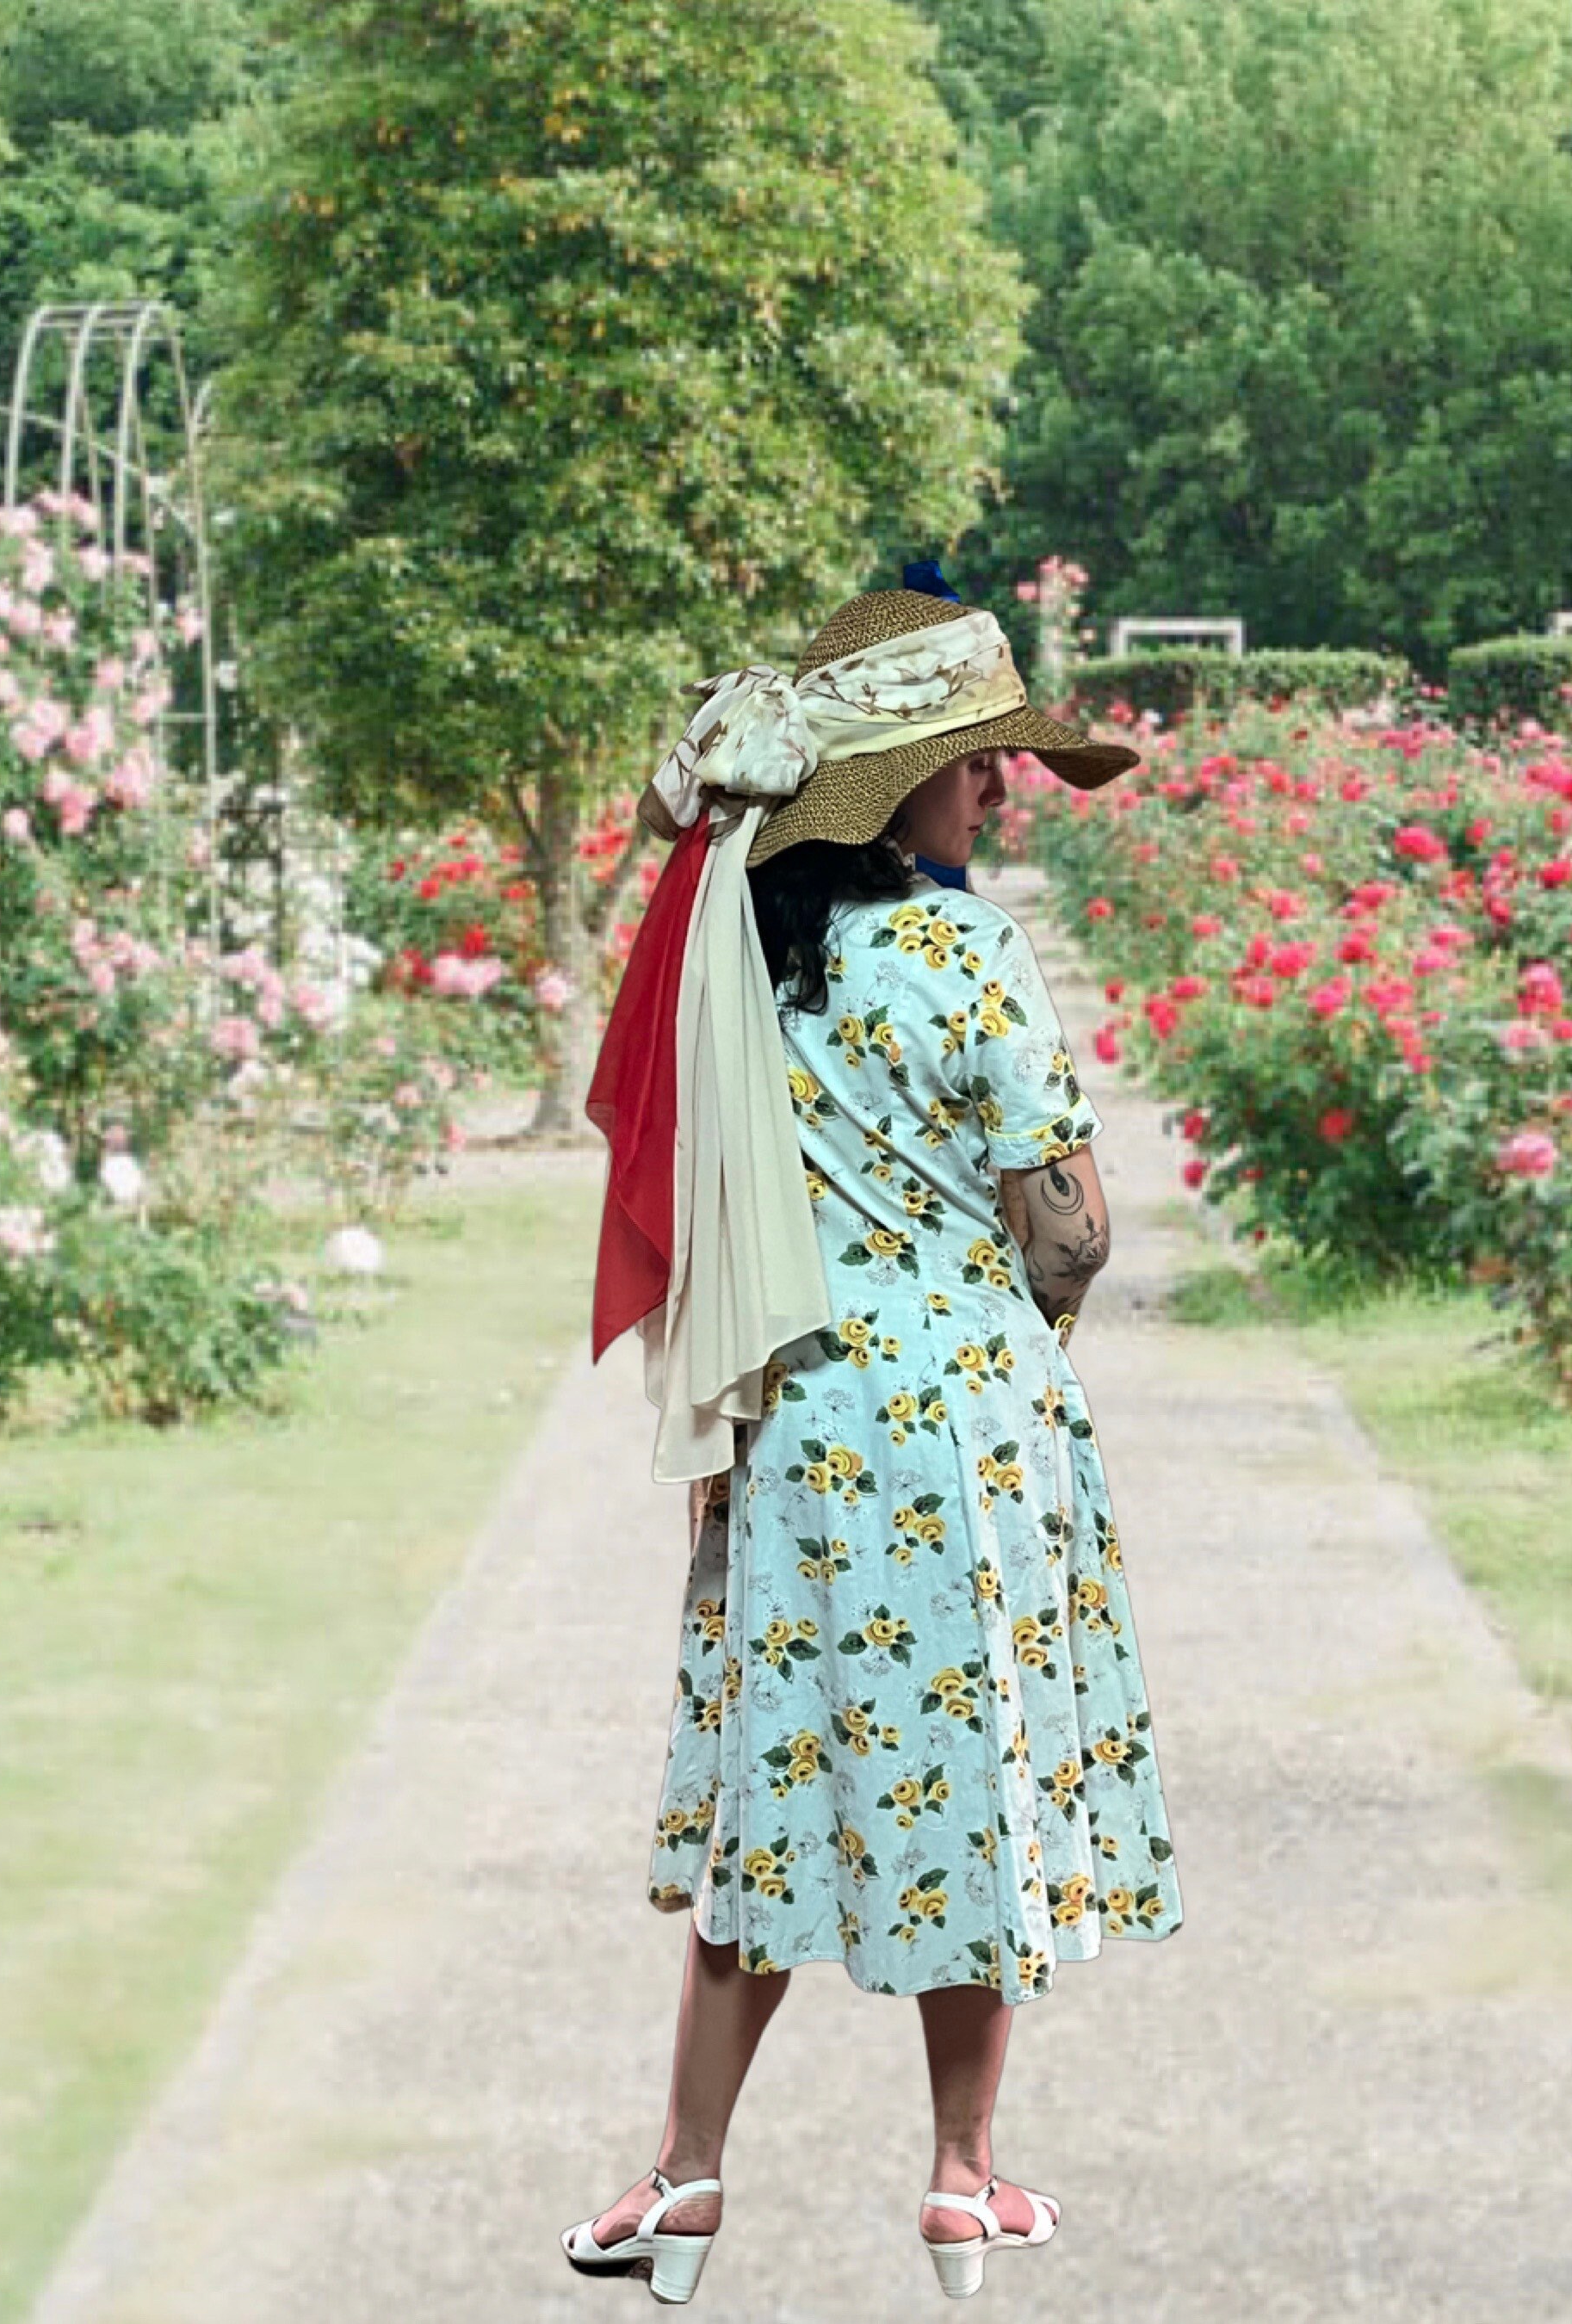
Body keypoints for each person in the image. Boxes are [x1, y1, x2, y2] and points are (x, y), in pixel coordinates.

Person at [565, 572, 1184, 2304]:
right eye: (977, 760)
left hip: (797, 1428)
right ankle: (964, 2183)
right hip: (973, 1425)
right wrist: (1009, 1337)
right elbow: (1066, 1229)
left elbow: (694, 1209)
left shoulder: (736, 965)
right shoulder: (971, 947)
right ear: (891, 778)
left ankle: (686, 2183)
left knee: (781, 1793)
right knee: (972, 1788)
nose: (1002, 790)